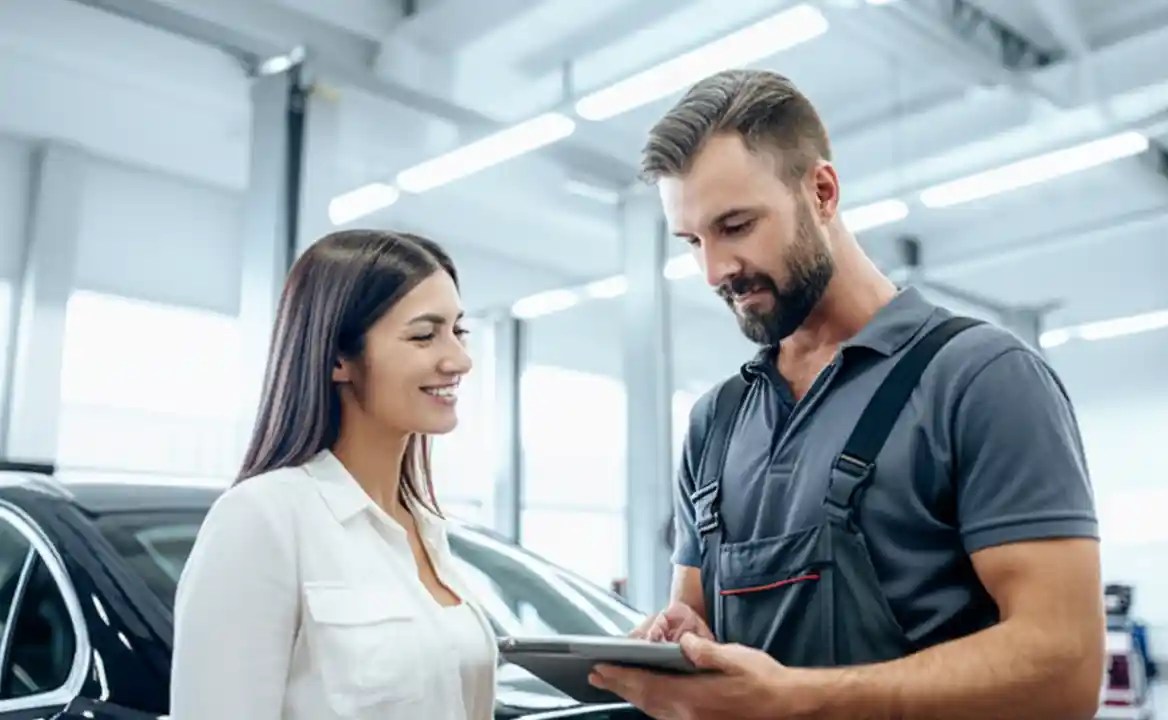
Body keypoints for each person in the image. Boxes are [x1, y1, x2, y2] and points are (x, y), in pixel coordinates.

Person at [588, 69, 1105, 719]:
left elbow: (1068, 668)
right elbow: (695, 611)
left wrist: (797, 699)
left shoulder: (982, 379)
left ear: (823, 193)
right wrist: (681, 639)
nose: (715, 270)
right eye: (694, 241)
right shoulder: (714, 423)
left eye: (737, 225)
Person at [171, 230, 495, 720]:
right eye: (424, 335)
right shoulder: (262, 518)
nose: (460, 360)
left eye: (458, 331)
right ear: (338, 357)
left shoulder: (424, 526)